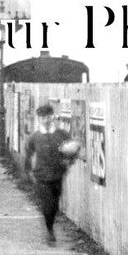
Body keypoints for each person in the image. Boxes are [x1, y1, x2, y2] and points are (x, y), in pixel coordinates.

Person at [24, 104, 78, 245]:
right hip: (41, 176)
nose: (46, 120)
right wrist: (27, 171)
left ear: (52, 117)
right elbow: (28, 154)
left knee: (54, 205)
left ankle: (50, 225)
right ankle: (49, 231)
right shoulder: (35, 137)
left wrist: (69, 160)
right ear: (39, 119)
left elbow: (74, 149)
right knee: (47, 204)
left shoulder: (61, 134)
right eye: (42, 118)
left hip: (57, 175)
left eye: (48, 117)